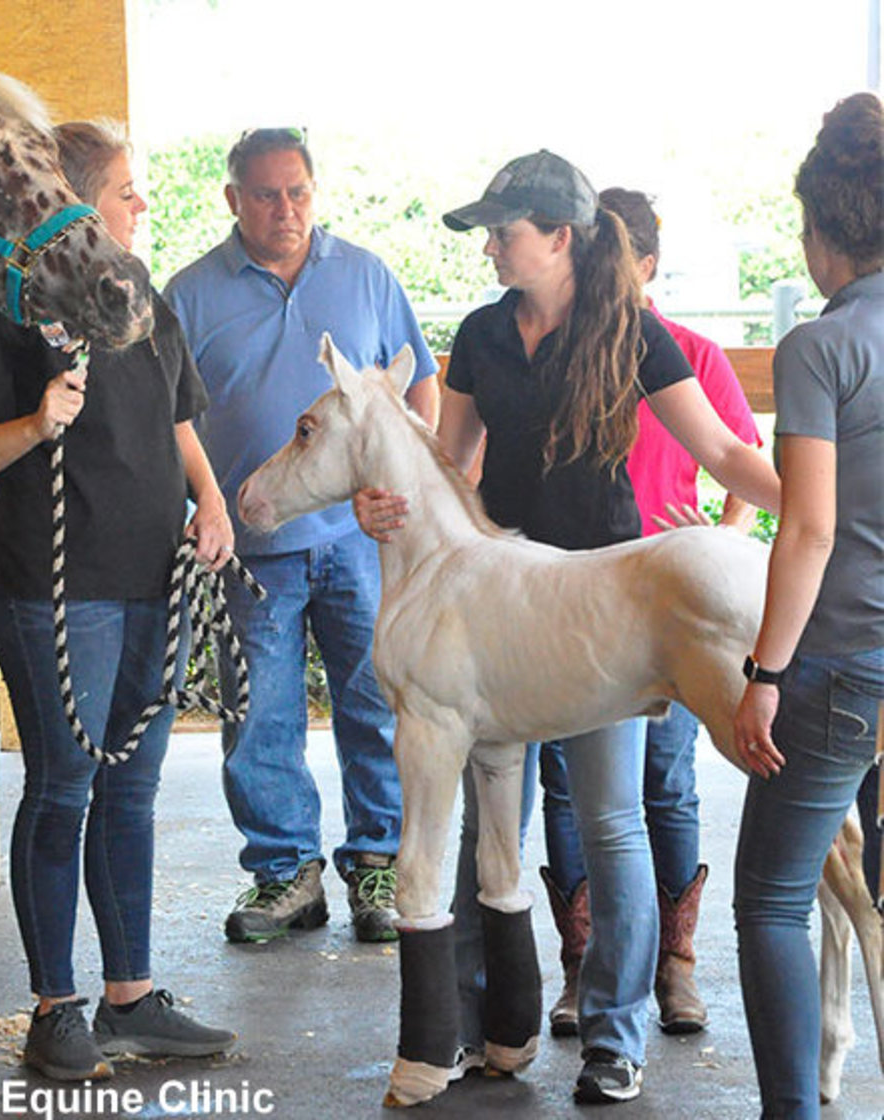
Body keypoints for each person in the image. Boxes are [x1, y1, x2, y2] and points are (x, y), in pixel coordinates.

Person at [356, 149, 779, 1103]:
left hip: (601, 602)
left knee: (608, 823)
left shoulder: (634, 334)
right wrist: (380, 509)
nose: (492, 248)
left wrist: (815, 518)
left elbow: (718, 447)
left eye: (505, 231)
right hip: (497, 606)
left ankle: (615, 1037)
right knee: (484, 827)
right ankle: (478, 1027)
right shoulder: (478, 334)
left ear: (561, 237)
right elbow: (453, 472)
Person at [0, 119, 236, 1082]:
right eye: (126, 189)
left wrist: (214, 502)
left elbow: (178, 419)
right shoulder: (2, 310)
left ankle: (130, 997)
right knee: (64, 788)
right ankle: (53, 1008)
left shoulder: (143, 298)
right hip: (51, 590)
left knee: (132, 792)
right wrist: (34, 422)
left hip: (152, 578)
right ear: (74, 202)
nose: (140, 205)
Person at [164, 127, 439, 945]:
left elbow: (419, 384)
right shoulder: (189, 293)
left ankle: (378, 864)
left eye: (297, 192)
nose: (284, 210)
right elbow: (169, 416)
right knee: (261, 714)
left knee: (375, 703)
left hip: (361, 541)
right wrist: (201, 505)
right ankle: (285, 872)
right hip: (250, 549)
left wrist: (407, 490)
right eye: (264, 194)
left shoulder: (366, 276)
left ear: (313, 192)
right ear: (231, 199)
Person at [535, 186, 764, 1041]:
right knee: (573, 785)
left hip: (675, 606)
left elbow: (737, 458)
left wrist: (722, 539)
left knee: (665, 785)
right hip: (586, 604)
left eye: (618, 259)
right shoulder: (561, 351)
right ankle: (581, 963)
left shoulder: (689, 353)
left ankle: (676, 964)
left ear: (648, 266)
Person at [732, 91, 883, 1119]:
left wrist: (763, 675)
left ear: (825, 231)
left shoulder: (819, 347)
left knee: (773, 902)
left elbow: (810, 529)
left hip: (836, 661)